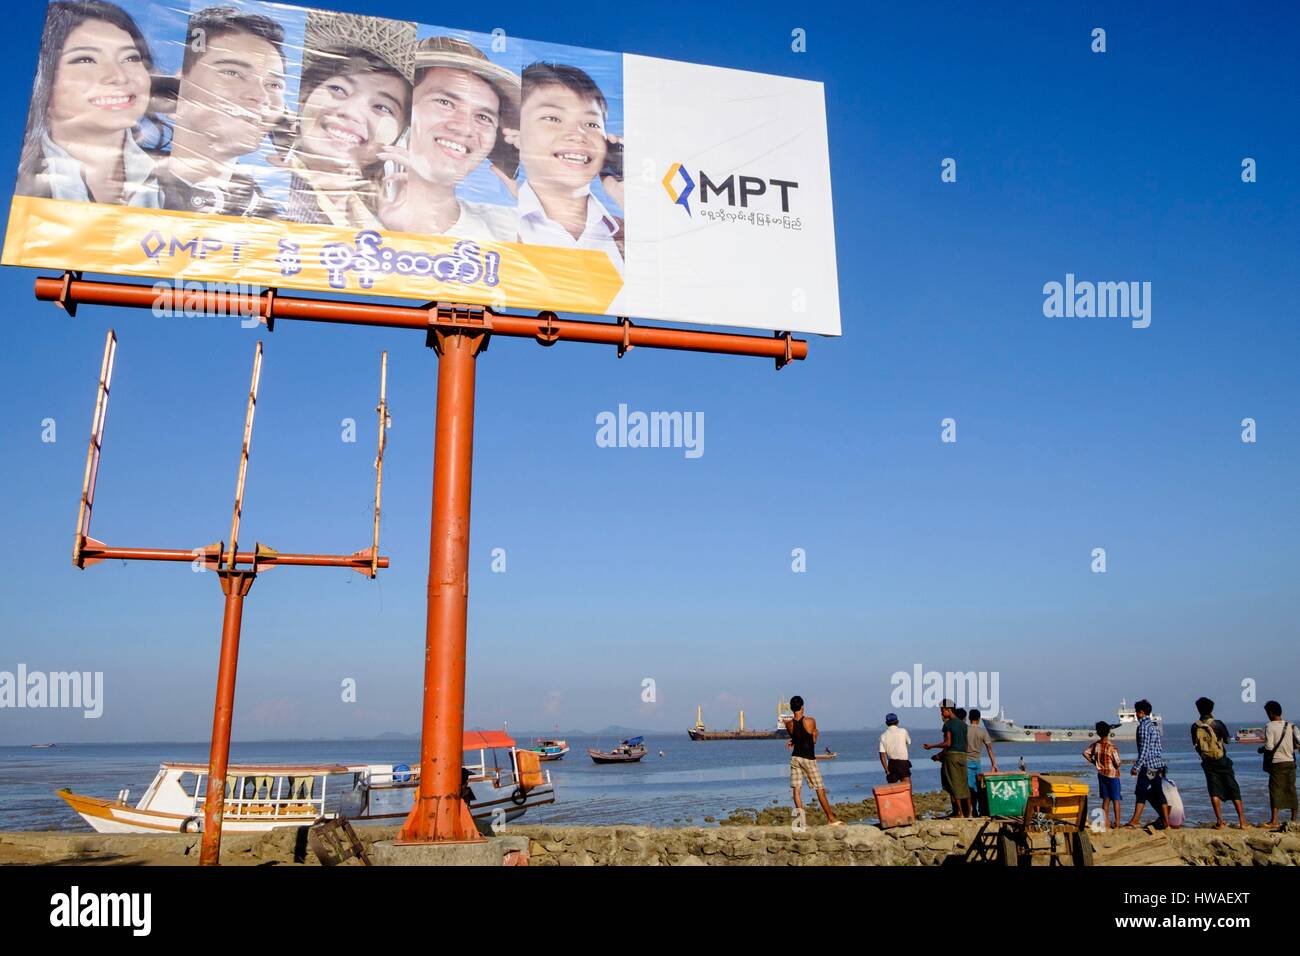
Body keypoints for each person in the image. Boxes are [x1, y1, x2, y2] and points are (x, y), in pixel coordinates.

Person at [16, 0, 162, 206]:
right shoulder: (16, 179)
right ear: (42, 78)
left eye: (130, 58)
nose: (118, 76)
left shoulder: (177, 180)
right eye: (86, 59)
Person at [275, 12, 414, 228]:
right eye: (338, 89)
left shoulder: (381, 224)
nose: (352, 113)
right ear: (304, 97)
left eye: (382, 107)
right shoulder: (261, 188)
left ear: (399, 135)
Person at [376, 36, 519, 240]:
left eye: (483, 117)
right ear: (403, 109)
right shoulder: (340, 209)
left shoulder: (512, 228)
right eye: (445, 102)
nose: (465, 128)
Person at [152, 6, 287, 218]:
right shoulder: (112, 179)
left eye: (274, 85)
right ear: (180, 84)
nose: (260, 95)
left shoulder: (271, 221)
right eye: (233, 72)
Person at [510, 61, 624, 272]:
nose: (578, 135)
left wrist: (628, 199)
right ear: (516, 135)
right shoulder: (497, 225)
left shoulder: (626, 234)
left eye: (592, 124)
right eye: (553, 118)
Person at [1190, 697, 1247, 829]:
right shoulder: (1217, 724)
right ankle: (1242, 821)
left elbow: (1196, 745)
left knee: (1213, 790)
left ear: (1198, 709)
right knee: (1233, 788)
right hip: (1221, 759)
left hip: (1207, 761)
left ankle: (1220, 821)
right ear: (1212, 709)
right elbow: (1227, 740)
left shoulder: (1195, 726)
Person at [784, 695, 841, 826]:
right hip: (808, 758)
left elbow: (797, 737)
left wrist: (792, 741)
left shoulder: (788, 724)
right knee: (820, 788)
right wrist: (816, 734)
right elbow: (812, 741)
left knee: (796, 790)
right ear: (802, 707)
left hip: (795, 758)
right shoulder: (810, 721)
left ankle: (800, 823)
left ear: (792, 708)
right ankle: (831, 819)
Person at [1123, 699, 1170, 829]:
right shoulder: (1154, 727)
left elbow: (1144, 749)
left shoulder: (1143, 727)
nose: (1136, 715)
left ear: (1141, 712)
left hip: (1147, 765)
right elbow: (1159, 747)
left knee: (1140, 792)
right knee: (1158, 792)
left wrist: (1136, 767)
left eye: (1136, 712)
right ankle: (1166, 822)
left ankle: (1135, 820)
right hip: (1156, 765)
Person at [923, 699, 970, 817]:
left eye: (942, 710)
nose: (941, 713)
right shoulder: (964, 725)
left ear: (949, 710)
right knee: (964, 784)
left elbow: (948, 743)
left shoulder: (948, 724)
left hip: (952, 756)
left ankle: (960, 813)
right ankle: (969, 813)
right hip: (963, 756)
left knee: (954, 785)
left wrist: (932, 746)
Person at [1261, 700, 1300, 828]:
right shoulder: (1291, 726)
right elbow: (1298, 742)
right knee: (1291, 789)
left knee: (1275, 790)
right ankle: (1294, 819)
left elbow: (1269, 747)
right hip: (1290, 762)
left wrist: (1261, 749)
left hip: (1277, 763)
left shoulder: (1269, 726)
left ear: (1271, 713)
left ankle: (1274, 820)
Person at [1083, 721, 1123, 830]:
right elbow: (1118, 763)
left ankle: (1105, 823)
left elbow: (1085, 753)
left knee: (1105, 799)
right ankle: (1117, 823)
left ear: (1097, 732)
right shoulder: (1112, 747)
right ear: (1109, 732)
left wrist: (1093, 762)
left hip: (1101, 775)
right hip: (1113, 775)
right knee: (1116, 799)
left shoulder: (1096, 745)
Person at [966, 708, 998, 815]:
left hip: (966, 762)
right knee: (978, 788)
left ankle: (972, 810)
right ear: (979, 719)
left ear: (969, 718)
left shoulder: (965, 730)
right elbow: (989, 749)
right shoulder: (983, 732)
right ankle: (980, 810)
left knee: (969, 788)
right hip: (977, 762)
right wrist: (993, 764)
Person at [877, 712, 912, 783]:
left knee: (893, 788)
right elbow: (909, 743)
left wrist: (886, 770)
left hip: (892, 764)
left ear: (886, 723)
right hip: (903, 763)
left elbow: (882, 756)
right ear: (897, 722)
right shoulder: (903, 731)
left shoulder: (883, 736)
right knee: (907, 786)